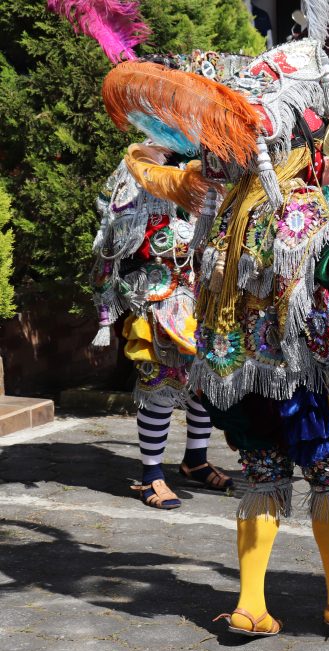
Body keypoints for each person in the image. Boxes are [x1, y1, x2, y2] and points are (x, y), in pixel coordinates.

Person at [90, 146, 229, 510]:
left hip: (200, 294)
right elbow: (113, 229)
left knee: (204, 383)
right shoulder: (136, 166)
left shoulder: (202, 163)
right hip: (155, 294)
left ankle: (195, 460)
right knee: (160, 383)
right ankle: (151, 475)